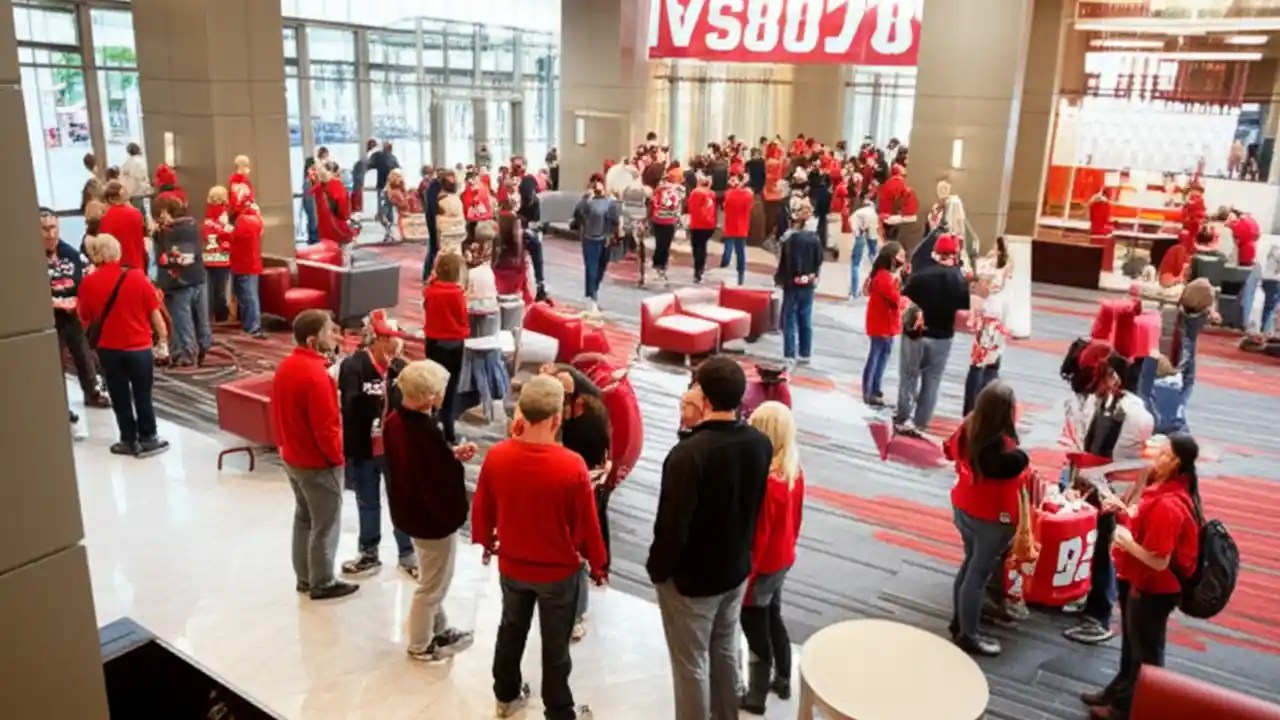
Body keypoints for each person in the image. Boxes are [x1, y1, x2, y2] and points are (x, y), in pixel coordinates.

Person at [472, 375, 607, 720]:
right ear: (556, 418)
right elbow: (587, 526)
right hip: (558, 572)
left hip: (513, 566)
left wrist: (487, 542)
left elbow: (482, 506)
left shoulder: (498, 456)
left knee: (510, 630)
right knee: (555, 645)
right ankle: (559, 710)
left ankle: (505, 696)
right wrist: (598, 564)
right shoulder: (571, 465)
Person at [647, 357, 772, 720]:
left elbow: (671, 526)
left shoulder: (688, 455)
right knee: (724, 650)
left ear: (703, 394)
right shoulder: (759, 443)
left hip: (692, 582)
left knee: (690, 666)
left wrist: (658, 571)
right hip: (735, 570)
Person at [1082, 433, 1202, 719]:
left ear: (1176, 462)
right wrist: (1124, 513)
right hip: (1139, 579)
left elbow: (1159, 560)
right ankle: (1122, 690)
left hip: (1154, 586)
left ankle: (1132, 707)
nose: (1155, 457)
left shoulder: (1170, 504)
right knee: (1133, 643)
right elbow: (1144, 526)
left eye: (1163, 454)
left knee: (1145, 652)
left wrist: (1125, 541)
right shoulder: (1163, 489)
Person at [384, 359, 478, 660]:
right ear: (429, 396)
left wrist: (449, 454)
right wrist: (452, 465)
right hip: (431, 520)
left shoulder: (396, 422)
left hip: (409, 513)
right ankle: (420, 644)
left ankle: (439, 629)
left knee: (431, 577)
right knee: (432, 585)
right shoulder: (423, 432)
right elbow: (434, 480)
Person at [1064, 350, 1156, 646]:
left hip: (1113, 491)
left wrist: (1131, 497)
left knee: (1104, 550)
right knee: (1093, 545)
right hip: (1096, 483)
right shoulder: (1103, 403)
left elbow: (1142, 463)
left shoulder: (1136, 414)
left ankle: (1099, 614)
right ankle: (1091, 598)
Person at [271, 309, 357, 600]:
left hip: (292, 456)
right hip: (317, 463)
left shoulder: (286, 367)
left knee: (304, 518)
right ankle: (322, 582)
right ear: (312, 340)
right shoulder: (317, 377)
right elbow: (327, 429)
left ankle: (304, 578)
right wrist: (337, 459)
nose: (336, 336)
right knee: (325, 525)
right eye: (330, 332)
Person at [944, 381, 1031, 657]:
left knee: (969, 565)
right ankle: (968, 635)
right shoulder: (1003, 450)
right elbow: (1020, 464)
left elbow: (948, 449)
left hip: (964, 507)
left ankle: (960, 621)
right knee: (977, 575)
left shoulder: (970, 425)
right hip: (992, 518)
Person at [337, 312, 417, 578]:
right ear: (376, 340)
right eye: (388, 342)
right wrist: (375, 403)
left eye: (396, 343)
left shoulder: (401, 369)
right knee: (367, 500)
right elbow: (349, 405)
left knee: (401, 500)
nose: (393, 348)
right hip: (363, 447)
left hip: (394, 449)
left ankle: (407, 553)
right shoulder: (354, 366)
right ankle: (369, 551)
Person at [739, 401, 805, 715]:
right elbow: (798, 518)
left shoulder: (767, 483)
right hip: (783, 558)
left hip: (762, 566)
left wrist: (747, 579)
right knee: (774, 616)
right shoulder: (793, 470)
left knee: (755, 628)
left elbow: (760, 536)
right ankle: (783, 677)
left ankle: (756, 694)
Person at [78, 234, 170, 457]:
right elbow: (154, 314)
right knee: (142, 393)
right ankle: (148, 437)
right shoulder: (137, 277)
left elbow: (85, 315)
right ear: (117, 251)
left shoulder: (88, 283)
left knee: (119, 395)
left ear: (95, 254)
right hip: (138, 347)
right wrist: (163, 341)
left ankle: (128, 439)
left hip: (108, 349)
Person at [895, 233, 971, 438]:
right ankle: (920, 423)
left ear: (935, 252)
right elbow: (964, 309)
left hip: (915, 334)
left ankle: (903, 418)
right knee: (932, 381)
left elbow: (903, 297)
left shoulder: (922, 275)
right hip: (943, 337)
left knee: (908, 377)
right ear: (954, 255)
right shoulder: (959, 281)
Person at [43, 208, 109, 408]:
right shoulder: (30, 258)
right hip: (48, 318)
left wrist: (80, 302)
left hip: (73, 314)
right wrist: (55, 303)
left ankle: (92, 392)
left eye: (53, 227)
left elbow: (91, 277)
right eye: (45, 229)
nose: (51, 234)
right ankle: (59, 404)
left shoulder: (72, 254)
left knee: (83, 353)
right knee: (55, 363)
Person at [153, 196, 212, 367]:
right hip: (198, 277)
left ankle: (186, 355)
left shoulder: (165, 232)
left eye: (160, 214)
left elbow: (163, 258)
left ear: (166, 212)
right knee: (202, 318)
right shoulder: (193, 226)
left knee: (182, 321)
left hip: (177, 283)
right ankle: (203, 346)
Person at [423, 253, 469, 445]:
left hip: (434, 341)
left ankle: (431, 422)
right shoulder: (457, 293)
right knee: (450, 388)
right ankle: (448, 430)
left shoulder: (430, 290)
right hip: (454, 342)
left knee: (433, 384)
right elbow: (462, 318)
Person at [775, 198, 824, 366]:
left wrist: (784, 278)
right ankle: (805, 352)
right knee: (805, 317)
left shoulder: (790, 239)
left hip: (792, 283)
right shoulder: (815, 239)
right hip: (809, 282)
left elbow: (786, 261)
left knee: (789, 318)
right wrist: (811, 275)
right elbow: (819, 260)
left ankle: (789, 353)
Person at [862, 242, 906, 407]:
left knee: (878, 356)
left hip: (882, 323)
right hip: (883, 324)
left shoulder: (881, 275)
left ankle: (873, 388)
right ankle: (871, 390)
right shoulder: (885, 277)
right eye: (900, 256)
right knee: (877, 357)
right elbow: (895, 299)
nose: (903, 260)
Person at [573, 173, 620, 311]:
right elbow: (577, 215)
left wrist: (614, 235)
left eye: (599, 182)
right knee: (591, 268)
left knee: (600, 268)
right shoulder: (586, 200)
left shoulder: (609, 200)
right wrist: (587, 198)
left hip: (604, 240)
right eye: (594, 182)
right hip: (589, 239)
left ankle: (592, 293)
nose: (596, 185)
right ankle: (591, 297)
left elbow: (614, 219)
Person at [962, 276, 1007, 416]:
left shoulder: (990, 271)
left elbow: (982, 290)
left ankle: (972, 409)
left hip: (989, 326)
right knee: (991, 366)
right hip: (996, 325)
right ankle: (986, 407)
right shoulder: (1003, 279)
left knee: (979, 367)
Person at [230, 202, 266, 339]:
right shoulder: (256, 220)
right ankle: (252, 326)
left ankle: (252, 327)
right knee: (249, 297)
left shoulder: (243, 221)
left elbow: (232, 237)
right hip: (251, 264)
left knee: (248, 297)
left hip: (243, 264)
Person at [514, 158, 548, 301]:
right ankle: (536, 286)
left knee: (531, 258)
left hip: (524, 227)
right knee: (527, 258)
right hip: (518, 227)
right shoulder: (518, 183)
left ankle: (538, 286)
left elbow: (533, 208)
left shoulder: (527, 181)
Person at [202, 186, 234, 324]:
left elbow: (207, 235)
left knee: (209, 291)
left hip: (208, 257)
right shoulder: (224, 215)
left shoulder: (207, 218)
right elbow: (228, 235)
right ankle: (222, 319)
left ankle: (209, 318)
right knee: (222, 290)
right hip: (222, 257)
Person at [98, 181, 147, 270]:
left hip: (114, 266)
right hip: (135, 265)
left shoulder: (104, 217)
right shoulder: (136, 214)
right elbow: (140, 241)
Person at [650, 165, 686, 284]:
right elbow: (680, 201)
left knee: (659, 243)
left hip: (657, 218)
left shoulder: (659, 188)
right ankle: (662, 266)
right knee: (666, 244)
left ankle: (656, 263)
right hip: (669, 220)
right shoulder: (680, 189)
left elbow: (652, 200)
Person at [720, 172, 753, 285]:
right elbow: (749, 207)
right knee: (740, 252)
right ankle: (741, 274)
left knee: (728, 245)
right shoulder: (748, 195)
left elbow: (725, 207)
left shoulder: (729, 194)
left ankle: (725, 261)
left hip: (730, 225)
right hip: (742, 227)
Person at [687, 174, 717, 284]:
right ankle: (700, 268)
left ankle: (698, 270)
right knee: (703, 246)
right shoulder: (712, 193)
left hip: (697, 224)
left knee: (696, 247)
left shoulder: (695, 192)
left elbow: (691, 208)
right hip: (709, 224)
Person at [850, 198, 880, 298]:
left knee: (855, 264)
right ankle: (875, 284)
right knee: (873, 259)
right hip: (862, 234)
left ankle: (854, 291)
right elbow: (873, 236)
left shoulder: (858, 212)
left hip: (856, 235)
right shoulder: (873, 215)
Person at [370, 141, 401, 232]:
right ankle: (388, 225)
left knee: (385, 204)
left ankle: (387, 226)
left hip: (381, 184)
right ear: (391, 149)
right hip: (391, 185)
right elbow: (398, 170)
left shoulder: (378, 156)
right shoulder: (393, 158)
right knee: (389, 205)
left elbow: (370, 165)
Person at [120, 142, 150, 211]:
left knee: (136, 212)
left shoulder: (127, 163)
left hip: (134, 193)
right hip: (145, 191)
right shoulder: (143, 161)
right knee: (146, 212)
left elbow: (124, 178)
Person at [351, 138, 377, 216]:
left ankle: (357, 210)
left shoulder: (366, 157)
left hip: (359, 177)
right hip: (359, 177)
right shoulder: (369, 157)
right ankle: (358, 210)